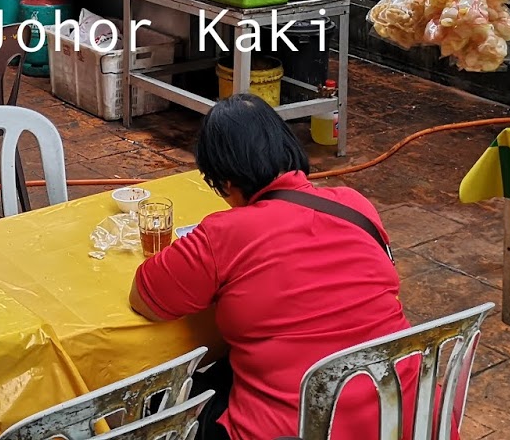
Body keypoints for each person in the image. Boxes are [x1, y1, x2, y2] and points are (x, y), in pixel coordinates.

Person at [129, 95, 411, 440]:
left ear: (226, 182)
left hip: (291, 431)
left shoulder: (223, 233)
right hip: (406, 415)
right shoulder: (356, 205)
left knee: (155, 401)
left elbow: (147, 299)